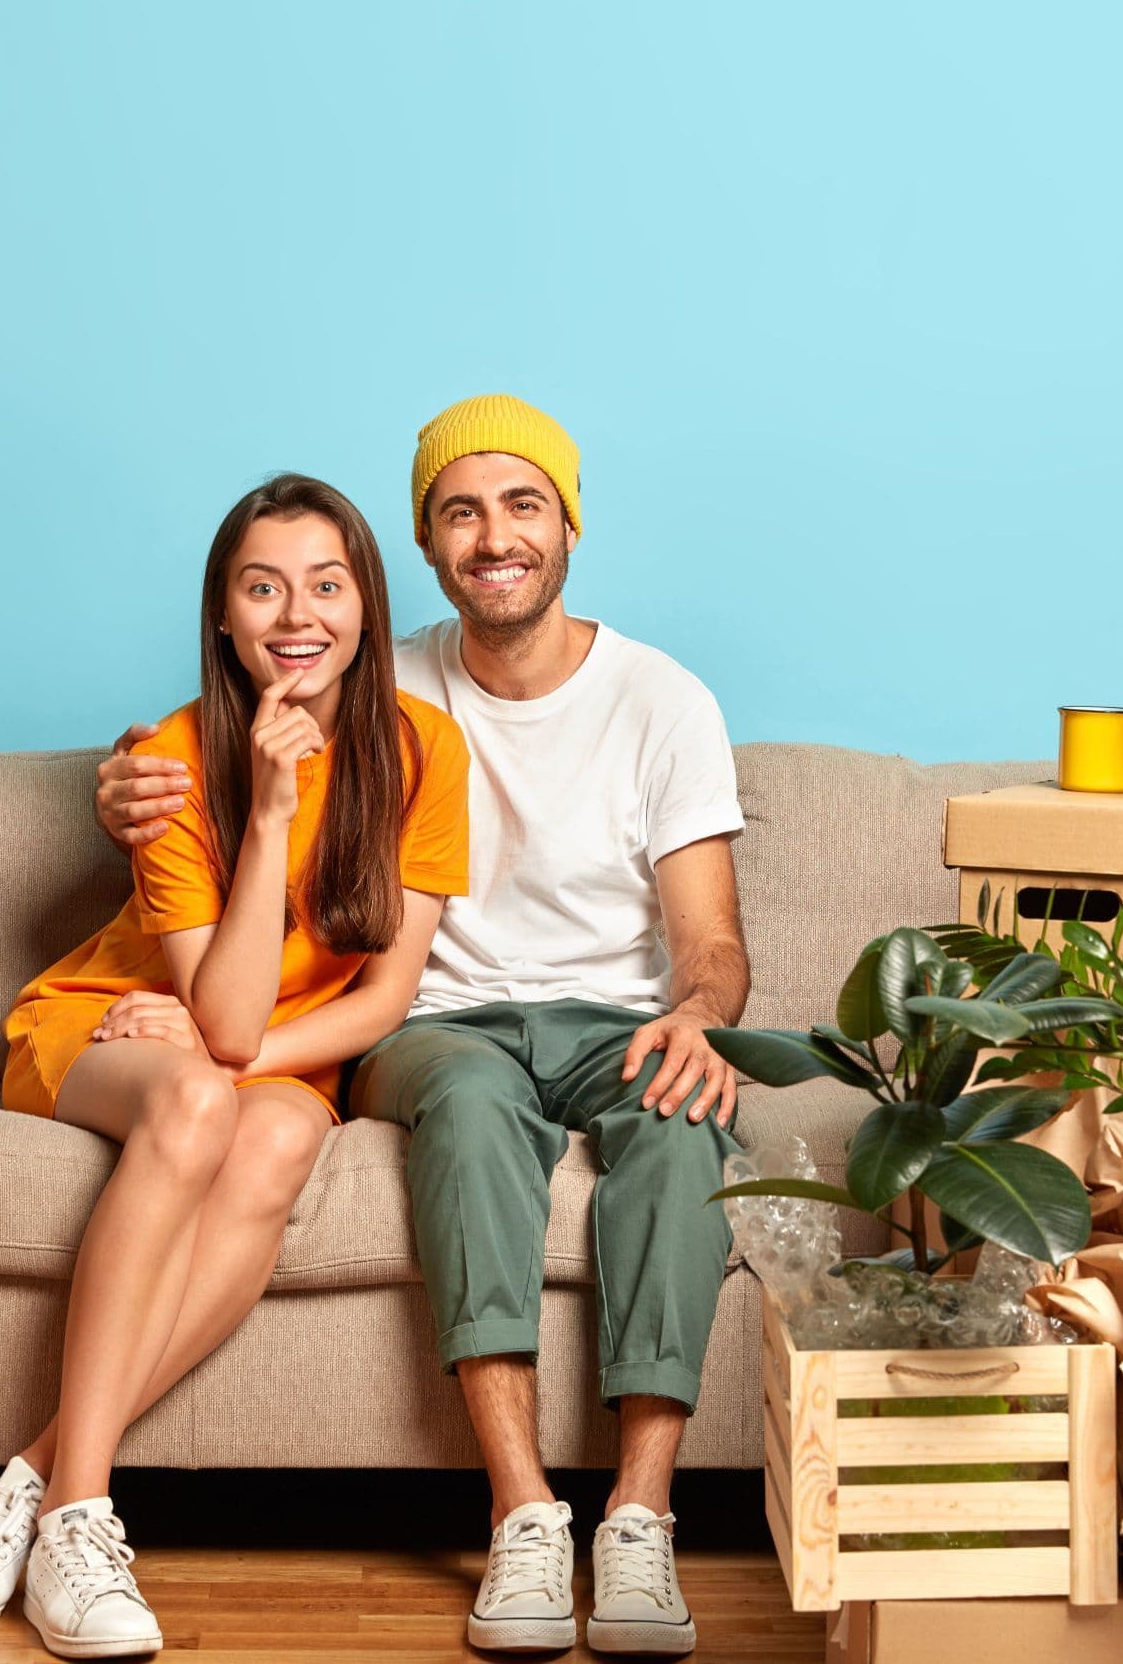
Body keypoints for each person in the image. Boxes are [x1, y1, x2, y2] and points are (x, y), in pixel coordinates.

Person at [103, 397, 748, 1657]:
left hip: (617, 1018)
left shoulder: (663, 700)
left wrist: (697, 1015)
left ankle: (636, 1519)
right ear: (424, 540)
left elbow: (711, 939)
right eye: (460, 509)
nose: (492, 534)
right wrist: (117, 778)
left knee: (682, 1121)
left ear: (567, 522)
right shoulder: (376, 671)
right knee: (464, 1106)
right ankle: (519, 1516)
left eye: (520, 504)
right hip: (435, 1020)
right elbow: (217, 749)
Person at [0, 473, 470, 1659]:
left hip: (268, 1054)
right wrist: (266, 807)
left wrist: (243, 1051)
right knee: (208, 1096)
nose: (295, 614)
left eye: (326, 584)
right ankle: (84, 1512)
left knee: (269, 1131)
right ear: (222, 614)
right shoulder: (170, 757)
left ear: (367, 603)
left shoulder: (425, 751)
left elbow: (382, 997)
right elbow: (210, 1015)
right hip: (111, 1027)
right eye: (262, 587)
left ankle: (25, 1491)